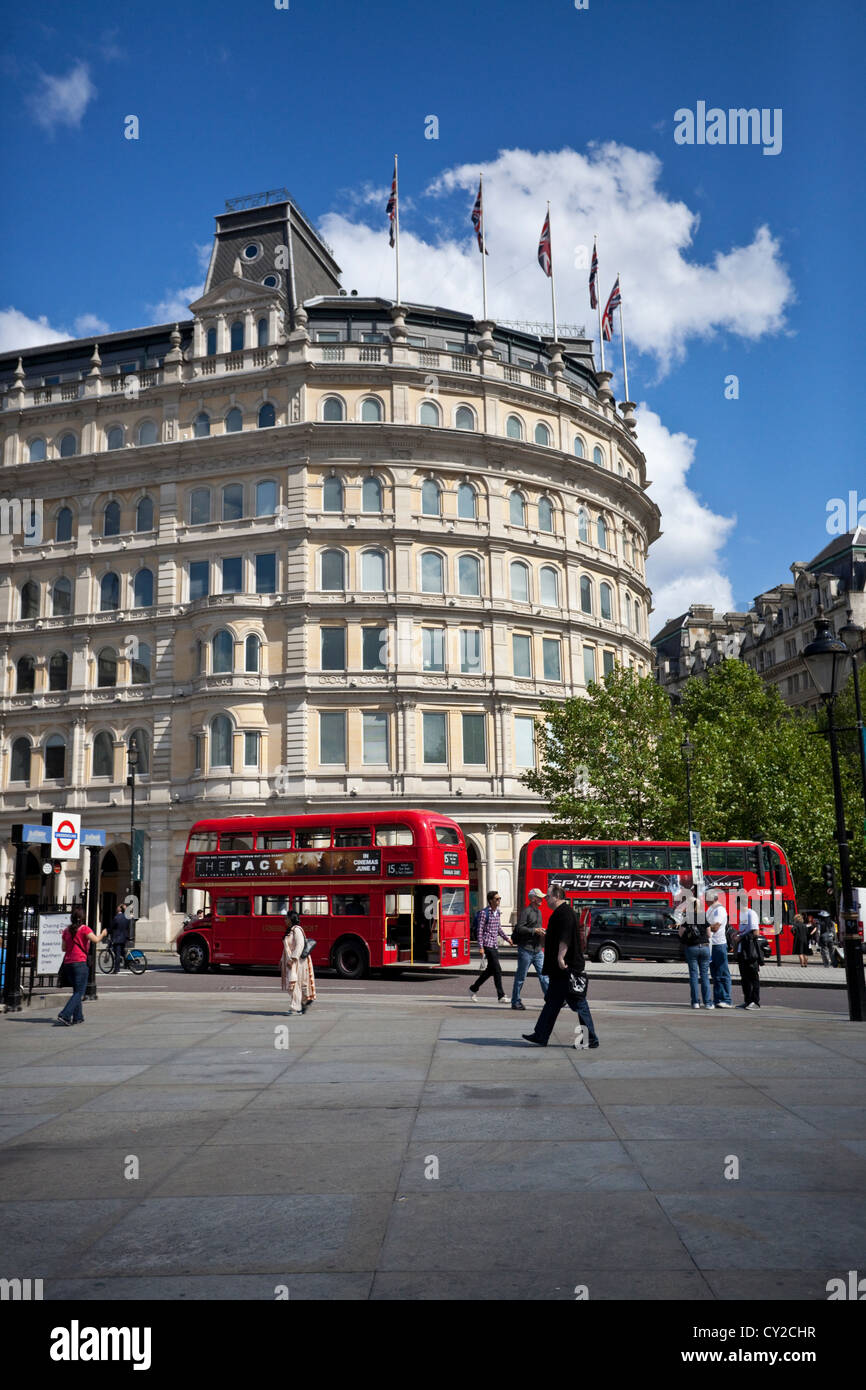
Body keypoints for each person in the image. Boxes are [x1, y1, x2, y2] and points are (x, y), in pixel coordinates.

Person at [522, 884, 598, 1048]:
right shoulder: (560, 913)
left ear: (556, 896)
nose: (546, 899)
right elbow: (559, 936)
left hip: (566, 967)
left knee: (579, 1003)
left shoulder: (565, 913)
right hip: (559, 969)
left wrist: (560, 957)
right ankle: (541, 1035)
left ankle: (590, 1039)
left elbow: (565, 938)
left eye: (548, 896)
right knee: (552, 1002)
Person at [55, 907, 106, 1026]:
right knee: (80, 992)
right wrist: (103, 933)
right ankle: (65, 1015)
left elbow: (63, 948)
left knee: (76, 990)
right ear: (82, 918)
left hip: (68, 963)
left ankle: (78, 1017)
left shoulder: (66, 930)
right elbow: (96, 940)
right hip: (79, 962)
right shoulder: (84, 929)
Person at [468, 891, 512, 1003]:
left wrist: (507, 939)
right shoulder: (484, 913)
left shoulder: (497, 912)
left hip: (494, 944)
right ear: (491, 900)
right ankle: (501, 996)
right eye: (497, 899)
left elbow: (498, 928)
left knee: (490, 970)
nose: (499, 900)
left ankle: (473, 988)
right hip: (487, 944)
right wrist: (481, 947)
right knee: (497, 969)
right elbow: (479, 931)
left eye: (499, 898)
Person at [510, 887, 548, 1011]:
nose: (542, 899)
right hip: (525, 950)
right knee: (521, 977)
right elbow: (520, 928)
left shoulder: (539, 912)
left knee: (544, 976)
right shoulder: (526, 911)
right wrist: (534, 930)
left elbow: (536, 928)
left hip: (537, 950)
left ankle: (552, 999)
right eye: (539, 897)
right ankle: (515, 1002)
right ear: (532, 899)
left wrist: (541, 932)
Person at [677, 891, 713, 1010]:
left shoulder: (687, 918)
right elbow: (709, 934)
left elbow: (680, 934)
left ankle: (695, 1002)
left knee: (693, 976)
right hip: (704, 947)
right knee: (705, 976)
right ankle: (707, 1003)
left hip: (691, 948)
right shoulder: (703, 917)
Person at [281, 911, 316, 1015]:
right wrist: (282, 960)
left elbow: (299, 945)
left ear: (291, 919)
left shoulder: (297, 930)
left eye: (286, 918)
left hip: (298, 962)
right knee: (299, 984)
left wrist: (293, 959)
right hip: (292, 962)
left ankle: (295, 1008)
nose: (285, 920)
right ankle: (305, 1001)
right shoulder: (290, 931)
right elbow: (287, 949)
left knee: (295, 984)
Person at [706, 889, 732, 1007]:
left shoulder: (720, 910)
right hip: (711, 944)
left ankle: (726, 999)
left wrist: (703, 928)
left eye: (707, 897)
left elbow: (715, 927)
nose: (705, 900)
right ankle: (718, 999)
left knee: (722, 972)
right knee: (715, 973)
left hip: (719, 944)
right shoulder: (710, 909)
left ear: (713, 898)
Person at [736, 906, 763, 1009]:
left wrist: (740, 937)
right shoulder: (742, 915)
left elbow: (756, 932)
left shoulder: (751, 913)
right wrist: (737, 934)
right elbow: (744, 931)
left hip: (750, 951)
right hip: (742, 950)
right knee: (744, 978)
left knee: (753, 977)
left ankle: (755, 1002)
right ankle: (747, 1001)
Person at [108, 904, 131, 973]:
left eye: (117, 907)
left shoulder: (116, 918)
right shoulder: (126, 918)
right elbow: (127, 927)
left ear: (119, 909)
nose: (116, 908)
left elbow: (111, 927)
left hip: (117, 938)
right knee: (122, 952)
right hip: (124, 937)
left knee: (117, 954)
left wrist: (108, 932)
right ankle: (127, 964)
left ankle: (116, 969)